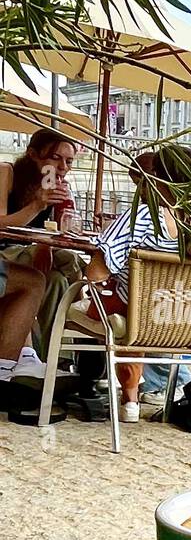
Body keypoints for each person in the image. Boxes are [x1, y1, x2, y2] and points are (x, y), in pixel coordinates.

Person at [87, 144, 191, 423]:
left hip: (139, 318)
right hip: (188, 323)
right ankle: (138, 396)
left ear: (155, 176)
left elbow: (95, 273)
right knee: (138, 303)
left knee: (113, 300)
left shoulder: (141, 218)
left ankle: (125, 397)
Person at [0, 127, 80, 379]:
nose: (63, 166)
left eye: (69, 161)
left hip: (27, 254)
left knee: (58, 280)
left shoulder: (56, 185)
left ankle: (47, 357)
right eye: (55, 158)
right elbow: (1, 226)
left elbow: (58, 231)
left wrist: (66, 211)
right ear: (33, 154)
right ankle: (18, 360)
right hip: (5, 253)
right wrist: (37, 205)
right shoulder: (7, 172)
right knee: (63, 267)